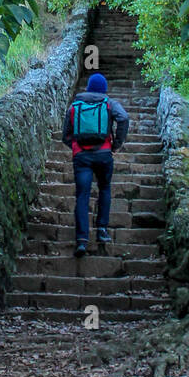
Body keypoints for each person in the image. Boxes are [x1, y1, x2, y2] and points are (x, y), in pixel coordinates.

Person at [60, 72, 129, 257]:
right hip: (104, 154)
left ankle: (81, 240)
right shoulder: (109, 103)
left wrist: (76, 146)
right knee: (104, 189)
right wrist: (116, 145)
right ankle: (102, 231)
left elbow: (65, 134)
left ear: (88, 87)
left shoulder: (76, 105)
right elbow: (123, 118)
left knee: (82, 195)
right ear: (104, 89)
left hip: (82, 156)